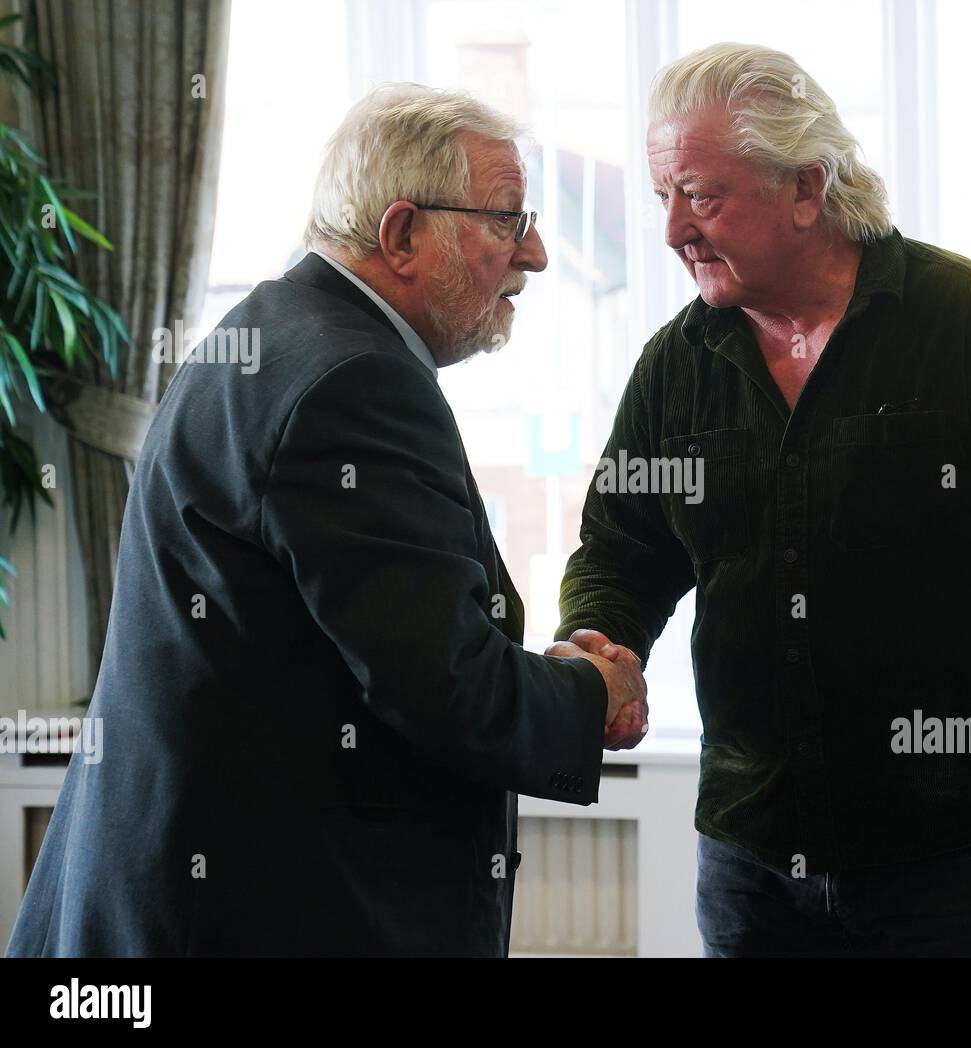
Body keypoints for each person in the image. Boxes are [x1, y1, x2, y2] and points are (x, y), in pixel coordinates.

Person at [6, 83, 646, 959]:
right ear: (402, 233)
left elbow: (374, 645)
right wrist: (595, 694)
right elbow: (444, 686)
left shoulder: (276, 332)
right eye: (506, 219)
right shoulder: (356, 383)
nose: (532, 252)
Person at [556, 43, 971, 957]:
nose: (672, 229)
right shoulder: (678, 365)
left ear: (806, 188)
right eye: (663, 195)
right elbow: (621, 551)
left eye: (701, 196)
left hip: (944, 856)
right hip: (751, 855)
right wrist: (598, 646)